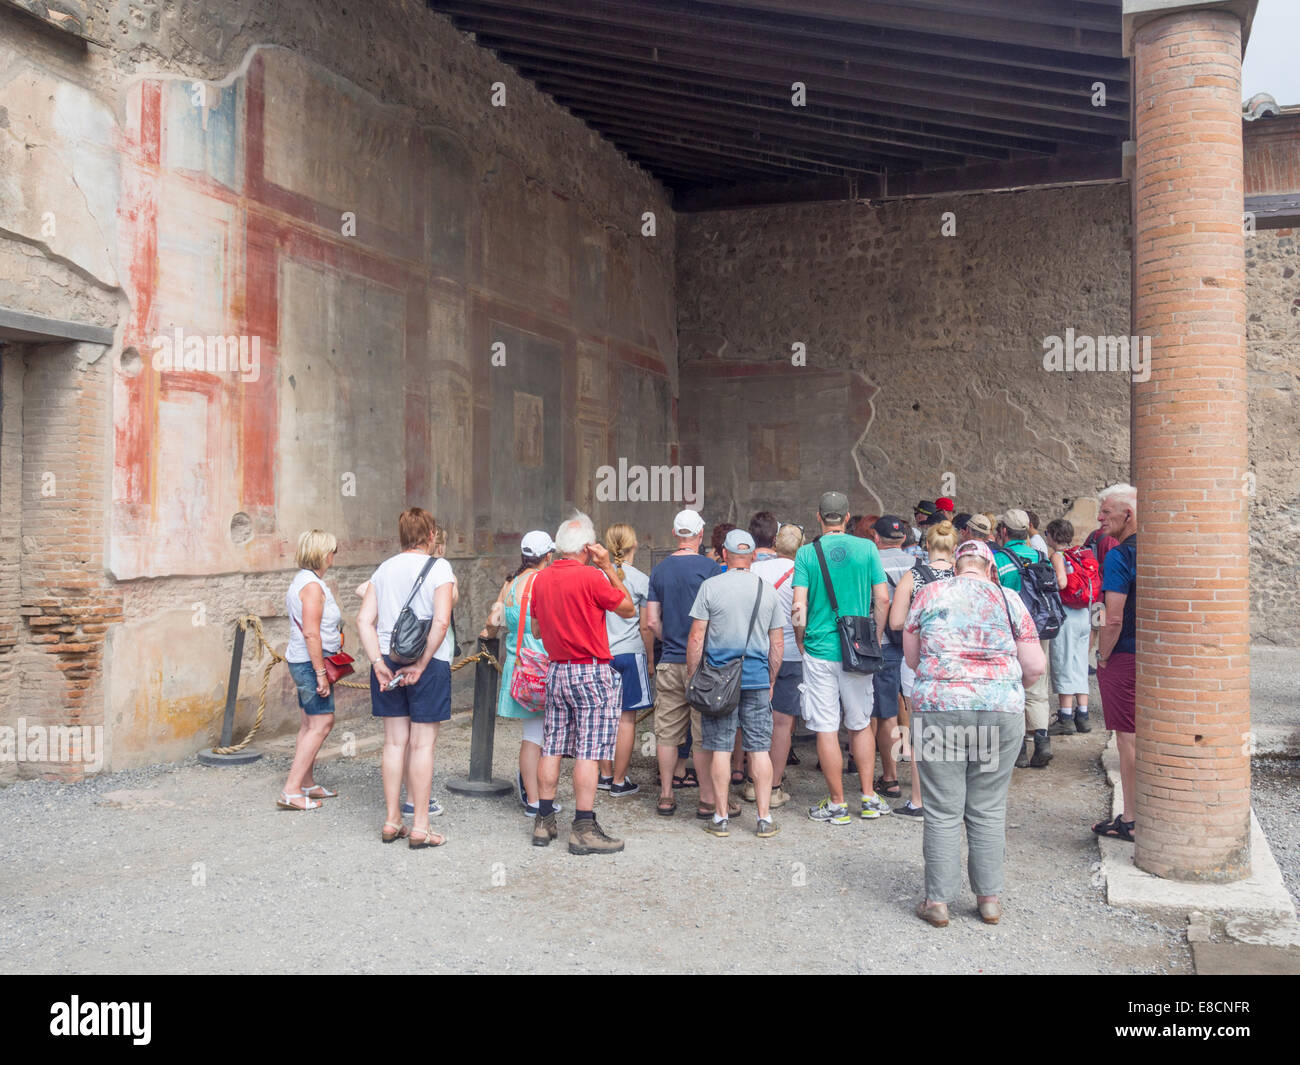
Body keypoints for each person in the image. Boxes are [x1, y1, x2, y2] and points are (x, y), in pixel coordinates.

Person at [905, 539, 1045, 928]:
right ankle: (988, 901)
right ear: (990, 567)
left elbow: (913, 658)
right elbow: (1034, 665)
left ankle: (938, 902)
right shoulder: (1009, 598)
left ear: (955, 564)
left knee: (943, 808)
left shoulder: (930, 592)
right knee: (986, 806)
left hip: (941, 709)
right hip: (997, 711)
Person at [529, 511, 635, 854]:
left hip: (557, 669)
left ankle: (544, 822)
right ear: (588, 547)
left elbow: (536, 630)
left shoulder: (541, 580)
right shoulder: (591, 577)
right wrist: (606, 567)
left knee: (553, 746)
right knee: (589, 751)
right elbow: (628, 608)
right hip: (590, 671)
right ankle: (583, 827)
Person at [792, 491, 892, 824]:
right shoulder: (867, 549)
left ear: (819, 518)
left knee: (825, 727)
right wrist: (874, 638)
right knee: (860, 723)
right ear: (847, 517)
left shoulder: (807, 554)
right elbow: (882, 598)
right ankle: (867, 797)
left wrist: (800, 640)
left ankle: (836, 804)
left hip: (820, 649)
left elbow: (798, 608)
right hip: (859, 648)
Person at [357, 507, 455, 848]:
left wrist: (376, 662)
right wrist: (423, 663)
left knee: (394, 742)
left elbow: (363, 621)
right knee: (423, 744)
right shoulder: (440, 567)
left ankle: (391, 819)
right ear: (430, 536)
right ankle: (421, 826)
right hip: (428, 662)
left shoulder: (383, 569)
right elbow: (441, 622)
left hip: (386, 658)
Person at [686, 528, 784, 838]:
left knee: (720, 749)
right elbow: (777, 644)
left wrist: (692, 676)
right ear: (753, 556)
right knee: (759, 750)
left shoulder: (710, 587)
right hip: (755, 678)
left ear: (724, 555)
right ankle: (765, 817)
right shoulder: (767, 590)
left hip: (717, 681)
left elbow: (697, 636)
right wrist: (770, 678)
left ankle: (720, 816)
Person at [646, 510, 727, 818]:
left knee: (666, 733)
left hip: (669, 660)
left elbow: (652, 621)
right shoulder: (711, 568)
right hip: (704, 663)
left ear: (674, 532)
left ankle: (666, 795)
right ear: (700, 533)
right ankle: (707, 799)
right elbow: (718, 616)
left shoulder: (660, 570)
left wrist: (671, 638)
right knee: (703, 732)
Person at [480, 530, 561, 817]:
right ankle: (543, 796)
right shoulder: (548, 581)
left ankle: (534, 800)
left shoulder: (511, 584)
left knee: (531, 735)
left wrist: (488, 632)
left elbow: (493, 619)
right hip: (546, 666)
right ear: (548, 556)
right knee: (548, 737)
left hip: (519, 669)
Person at [887, 519, 957, 820]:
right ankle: (951, 798)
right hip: (955, 659)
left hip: (919, 660)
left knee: (920, 730)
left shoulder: (913, 577)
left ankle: (918, 800)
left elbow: (895, 622)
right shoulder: (962, 576)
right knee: (954, 728)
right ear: (954, 547)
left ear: (926, 545)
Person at [279, 529, 343, 811]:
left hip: (304, 660)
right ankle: (291, 789)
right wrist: (320, 673)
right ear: (322, 553)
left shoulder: (305, 581)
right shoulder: (313, 586)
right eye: (331, 550)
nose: (333, 556)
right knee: (322, 722)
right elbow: (311, 634)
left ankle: (305, 782)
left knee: (309, 722)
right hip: (310, 661)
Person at [1093, 484, 1139, 844]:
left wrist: (1102, 657)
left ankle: (1132, 818)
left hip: (1124, 654)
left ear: (1128, 514)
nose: (1099, 518)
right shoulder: (1156, 549)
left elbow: (1112, 618)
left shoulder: (1119, 556)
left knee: (1128, 738)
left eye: (1106, 512)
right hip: (1153, 654)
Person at [749, 521, 804, 808]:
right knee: (782, 723)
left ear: (774, 542)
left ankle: (750, 782)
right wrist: (801, 641)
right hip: (791, 653)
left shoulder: (756, 570)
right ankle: (773, 787)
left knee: (753, 717)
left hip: (757, 650)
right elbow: (799, 612)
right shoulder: (802, 572)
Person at [993, 509, 1053, 769]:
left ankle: (1018, 749)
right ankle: (1042, 740)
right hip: (1040, 628)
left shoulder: (998, 559)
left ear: (1004, 532)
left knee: (1012, 687)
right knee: (1038, 687)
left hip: (1011, 631)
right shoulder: (1041, 555)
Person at [597, 523, 653, 796]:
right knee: (626, 718)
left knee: (601, 717)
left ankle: (605, 775)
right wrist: (651, 658)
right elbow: (645, 627)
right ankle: (620, 780)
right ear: (635, 545)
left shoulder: (596, 577)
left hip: (601, 653)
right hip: (630, 652)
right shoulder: (641, 579)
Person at [870, 515, 912, 802]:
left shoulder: (872, 564)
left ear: (876, 537)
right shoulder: (916, 565)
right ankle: (900, 776)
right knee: (900, 709)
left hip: (880, 643)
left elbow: (876, 601)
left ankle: (879, 773)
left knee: (875, 712)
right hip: (909, 644)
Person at [1044, 519, 1093, 737]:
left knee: (1063, 661)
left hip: (1067, 615)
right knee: (1080, 662)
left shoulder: (1058, 556)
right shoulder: (1080, 554)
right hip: (1084, 613)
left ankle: (1065, 717)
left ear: (1053, 536)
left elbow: (1062, 583)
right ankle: (1082, 715)